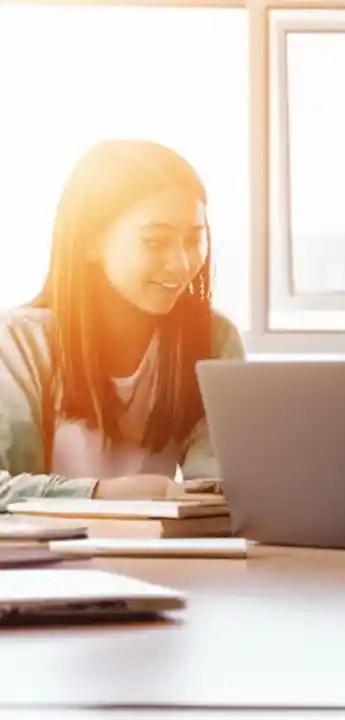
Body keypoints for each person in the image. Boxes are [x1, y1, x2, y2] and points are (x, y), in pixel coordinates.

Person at [0, 139, 244, 509]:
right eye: (155, 241)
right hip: (39, 563)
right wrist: (106, 495)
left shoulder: (213, 338)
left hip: (162, 562)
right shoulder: (17, 342)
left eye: (194, 239)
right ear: (91, 242)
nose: (181, 263)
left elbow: (219, 488)